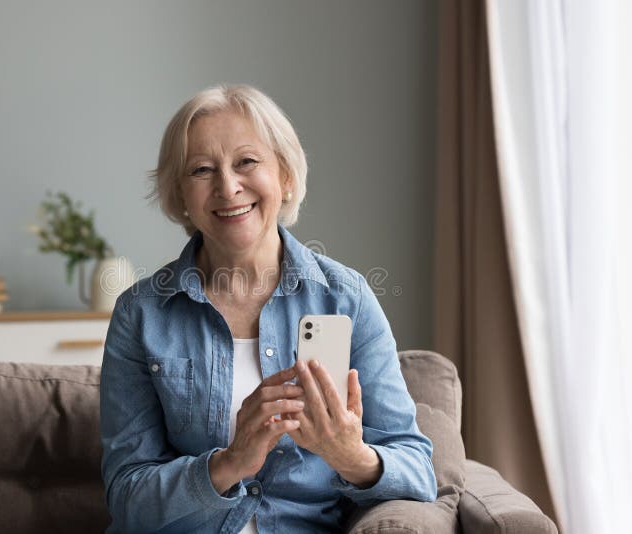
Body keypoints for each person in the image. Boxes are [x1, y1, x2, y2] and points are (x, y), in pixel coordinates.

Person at [100, 84, 437, 533]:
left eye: (247, 162)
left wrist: (348, 453)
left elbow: (418, 472)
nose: (227, 186)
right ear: (180, 195)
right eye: (202, 170)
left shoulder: (346, 298)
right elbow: (126, 497)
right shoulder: (140, 313)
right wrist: (229, 463)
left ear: (285, 176)